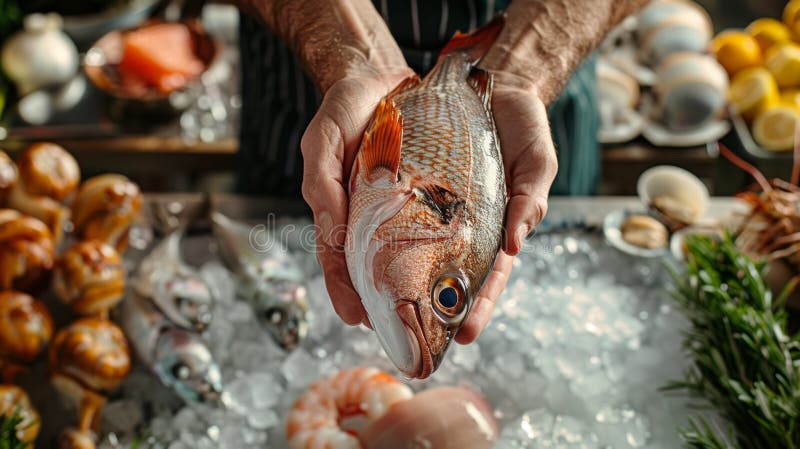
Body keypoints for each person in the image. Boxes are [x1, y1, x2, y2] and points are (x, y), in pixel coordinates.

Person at [234, 0, 647, 342]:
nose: (433, 330)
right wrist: (342, 38)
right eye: (446, 298)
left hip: (542, 86)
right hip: (304, 84)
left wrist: (528, 65)